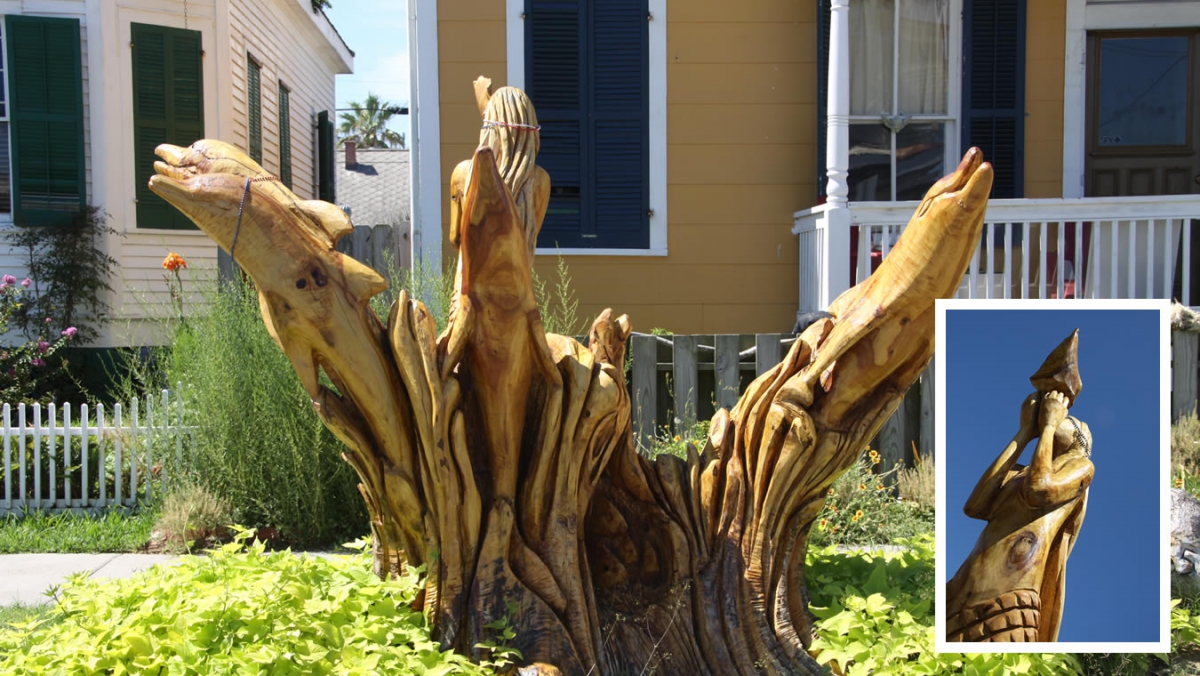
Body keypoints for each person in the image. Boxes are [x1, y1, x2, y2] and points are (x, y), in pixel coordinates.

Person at [945, 389, 1094, 642]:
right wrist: (1024, 433)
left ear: (1081, 438)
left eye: (1065, 417)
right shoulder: (1022, 474)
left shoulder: (1081, 466)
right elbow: (975, 506)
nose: (1054, 410)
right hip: (962, 590)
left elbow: (1039, 491)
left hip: (1010, 597)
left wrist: (1048, 426)